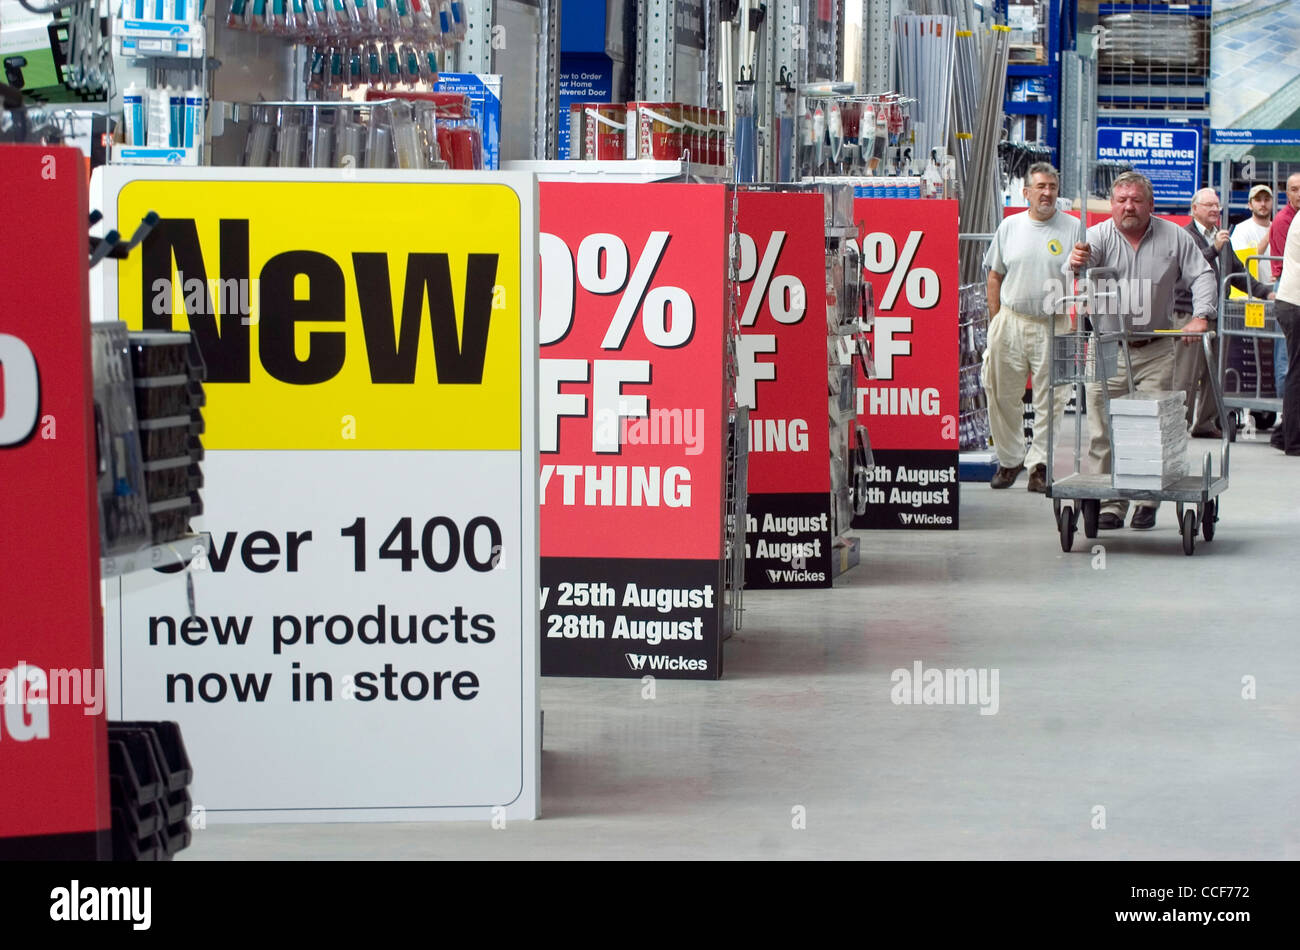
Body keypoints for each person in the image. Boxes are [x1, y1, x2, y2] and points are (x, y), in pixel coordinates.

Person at [1067, 171, 1216, 530]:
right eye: (1121, 200)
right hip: (1105, 346)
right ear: (1112, 205)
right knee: (1103, 430)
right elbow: (1075, 267)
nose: (1129, 206)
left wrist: (1200, 317)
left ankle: (1147, 500)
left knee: (1150, 427)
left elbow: (1203, 274)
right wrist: (1074, 261)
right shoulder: (1097, 237)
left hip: (1156, 346)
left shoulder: (1174, 236)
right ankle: (1110, 501)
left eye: (1136, 200)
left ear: (1150, 204)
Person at [981, 162, 1080, 492]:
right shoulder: (1009, 227)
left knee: (1051, 399)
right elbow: (994, 276)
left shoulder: (1074, 228)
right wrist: (996, 321)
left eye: (1052, 186)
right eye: (1040, 187)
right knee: (1000, 393)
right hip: (1011, 321)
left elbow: (1087, 275)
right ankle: (1009, 460)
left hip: (1055, 324)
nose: (1047, 193)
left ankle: (1039, 465)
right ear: (1026, 192)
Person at [1175, 188, 1272, 439]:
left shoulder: (1222, 238)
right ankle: (1178, 424)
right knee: (1187, 374)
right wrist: (1214, 249)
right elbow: (1186, 272)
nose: (1214, 210)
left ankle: (1206, 423)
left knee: (1214, 375)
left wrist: (1264, 292)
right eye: (1208, 205)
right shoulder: (1185, 236)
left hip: (1219, 315)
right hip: (1191, 314)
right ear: (1194, 208)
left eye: (1216, 205)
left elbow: (1238, 272)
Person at [1261, 174, 1300, 405]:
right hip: (1288, 286)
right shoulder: (1286, 219)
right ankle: (1285, 413)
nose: (1299, 193)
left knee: (1291, 358)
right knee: (1287, 357)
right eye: (1294, 189)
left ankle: (1287, 423)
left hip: (1289, 286)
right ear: (1288, 194)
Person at [1271, 212, 1300, 455]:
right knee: (1297, 372)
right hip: (1296, 303)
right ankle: (1293, 440)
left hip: (1291, 301)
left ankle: (1284, 433)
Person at [1231, 184, 1273, 280]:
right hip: (1252, 292)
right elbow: (1243, 265)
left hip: (1277, 289)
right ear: (1250, 205)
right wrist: (1269, 235)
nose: (1263, 204)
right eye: (1258, 200)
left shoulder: (1280, 230)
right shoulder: (1241, 230)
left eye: (1267, 199)